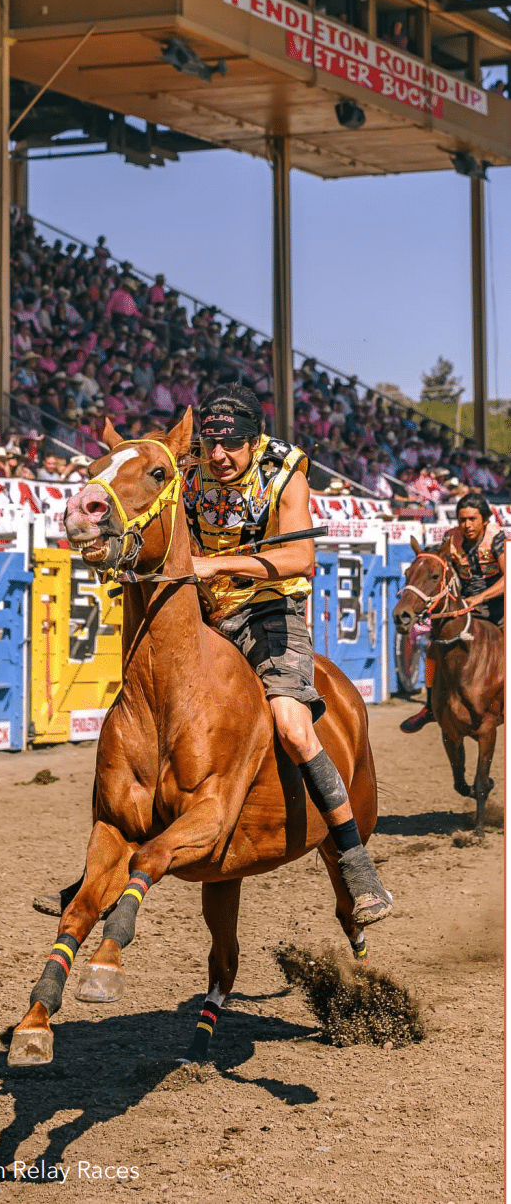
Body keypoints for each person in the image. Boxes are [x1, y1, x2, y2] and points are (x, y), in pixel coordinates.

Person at [184, 383, 392, 927]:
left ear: (254, 442)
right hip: (206, 614)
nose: (218, 458)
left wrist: (215, 565)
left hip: (270, 613)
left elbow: (301, 557)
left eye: (230, 446)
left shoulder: (286, 473)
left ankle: (354, 858)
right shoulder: (190, 470)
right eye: (210, 446)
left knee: (295, 727)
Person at [400, 491, 506, 733]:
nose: (466, 525)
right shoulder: (451, 539)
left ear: (485, 520)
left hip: (500, 607)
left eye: (472, 519)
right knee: (432, 648)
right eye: (462, 520)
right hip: (467, 609)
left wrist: (480, 597)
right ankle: (429, 706)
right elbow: (434, 560)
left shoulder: (497, 539)